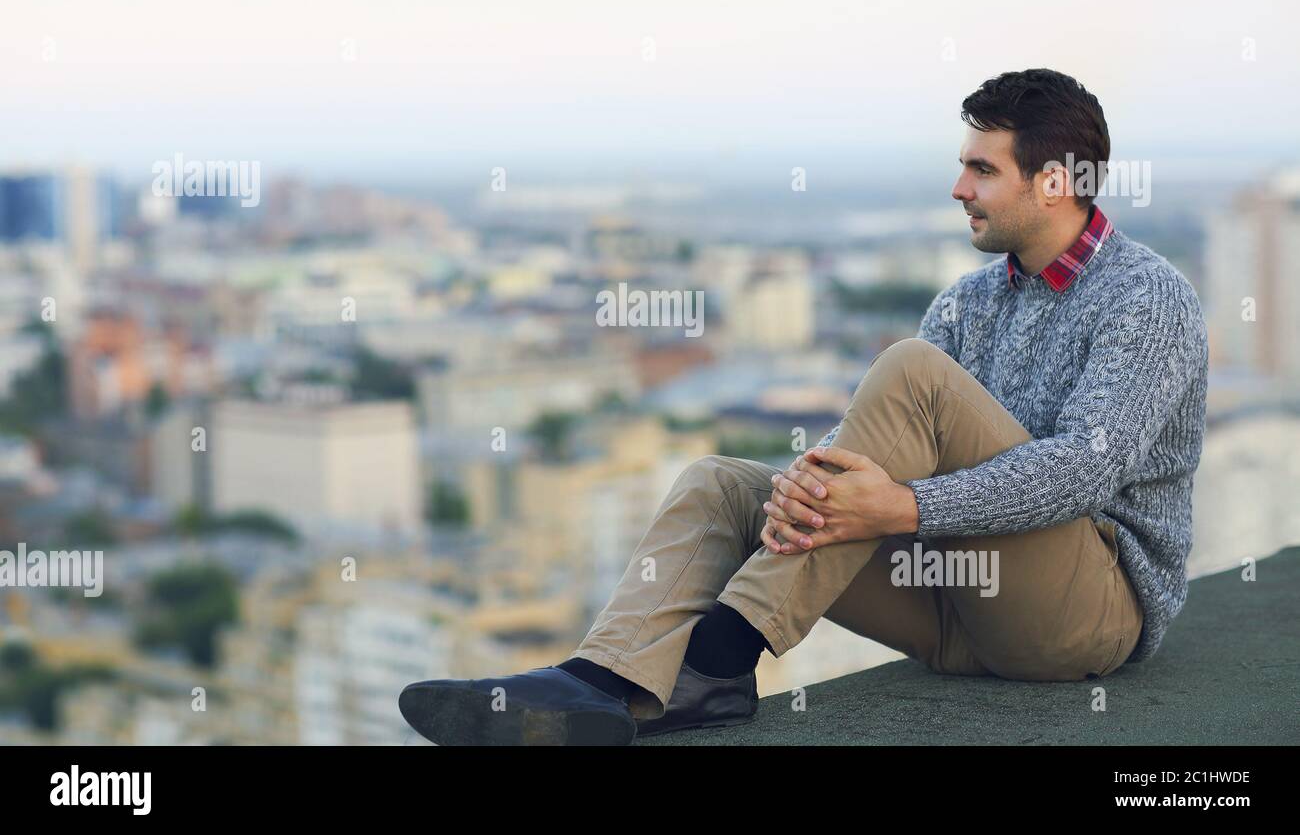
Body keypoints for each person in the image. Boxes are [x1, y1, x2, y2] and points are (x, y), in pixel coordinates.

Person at [398, 68, 1209, 746]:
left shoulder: (1147, 297)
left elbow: (1084, 471)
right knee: (722, 484)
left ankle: (715, 657)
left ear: (1056, 181)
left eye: (983, 169)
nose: (958, 187)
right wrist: (810, 486)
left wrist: (902, 505)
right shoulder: (970, 303)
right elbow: (880, 441)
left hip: (1085, 617)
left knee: (910, 371)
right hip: (958, 608)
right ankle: (595, 680)